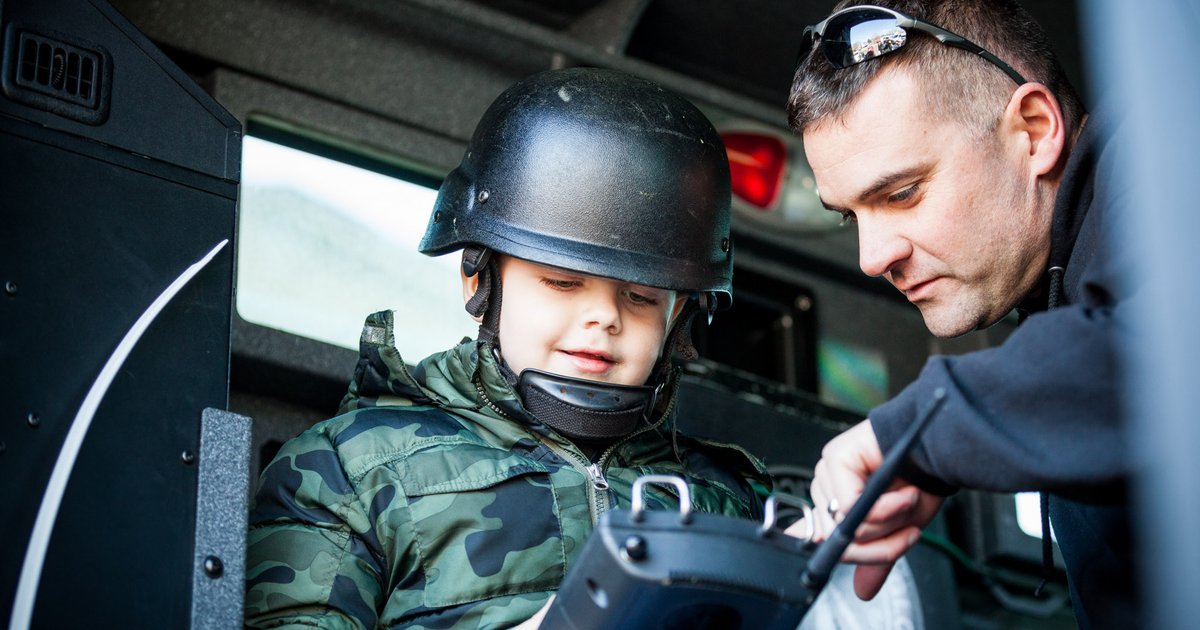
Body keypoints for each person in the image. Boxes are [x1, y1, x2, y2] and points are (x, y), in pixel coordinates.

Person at [242, 67, 774, 628]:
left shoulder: (733, 499)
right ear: (479, 280)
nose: (604, 316)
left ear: (679, 316)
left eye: (641, 297)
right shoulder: (354, 469)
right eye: (562, 282)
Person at [784, 1, 1135, 628]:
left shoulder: (1167, 154)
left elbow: (1164, 353)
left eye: (902, 193)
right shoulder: (1062, 296)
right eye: (849, 216)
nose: (871, 258)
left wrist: (923, 435)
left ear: (1033, 130)